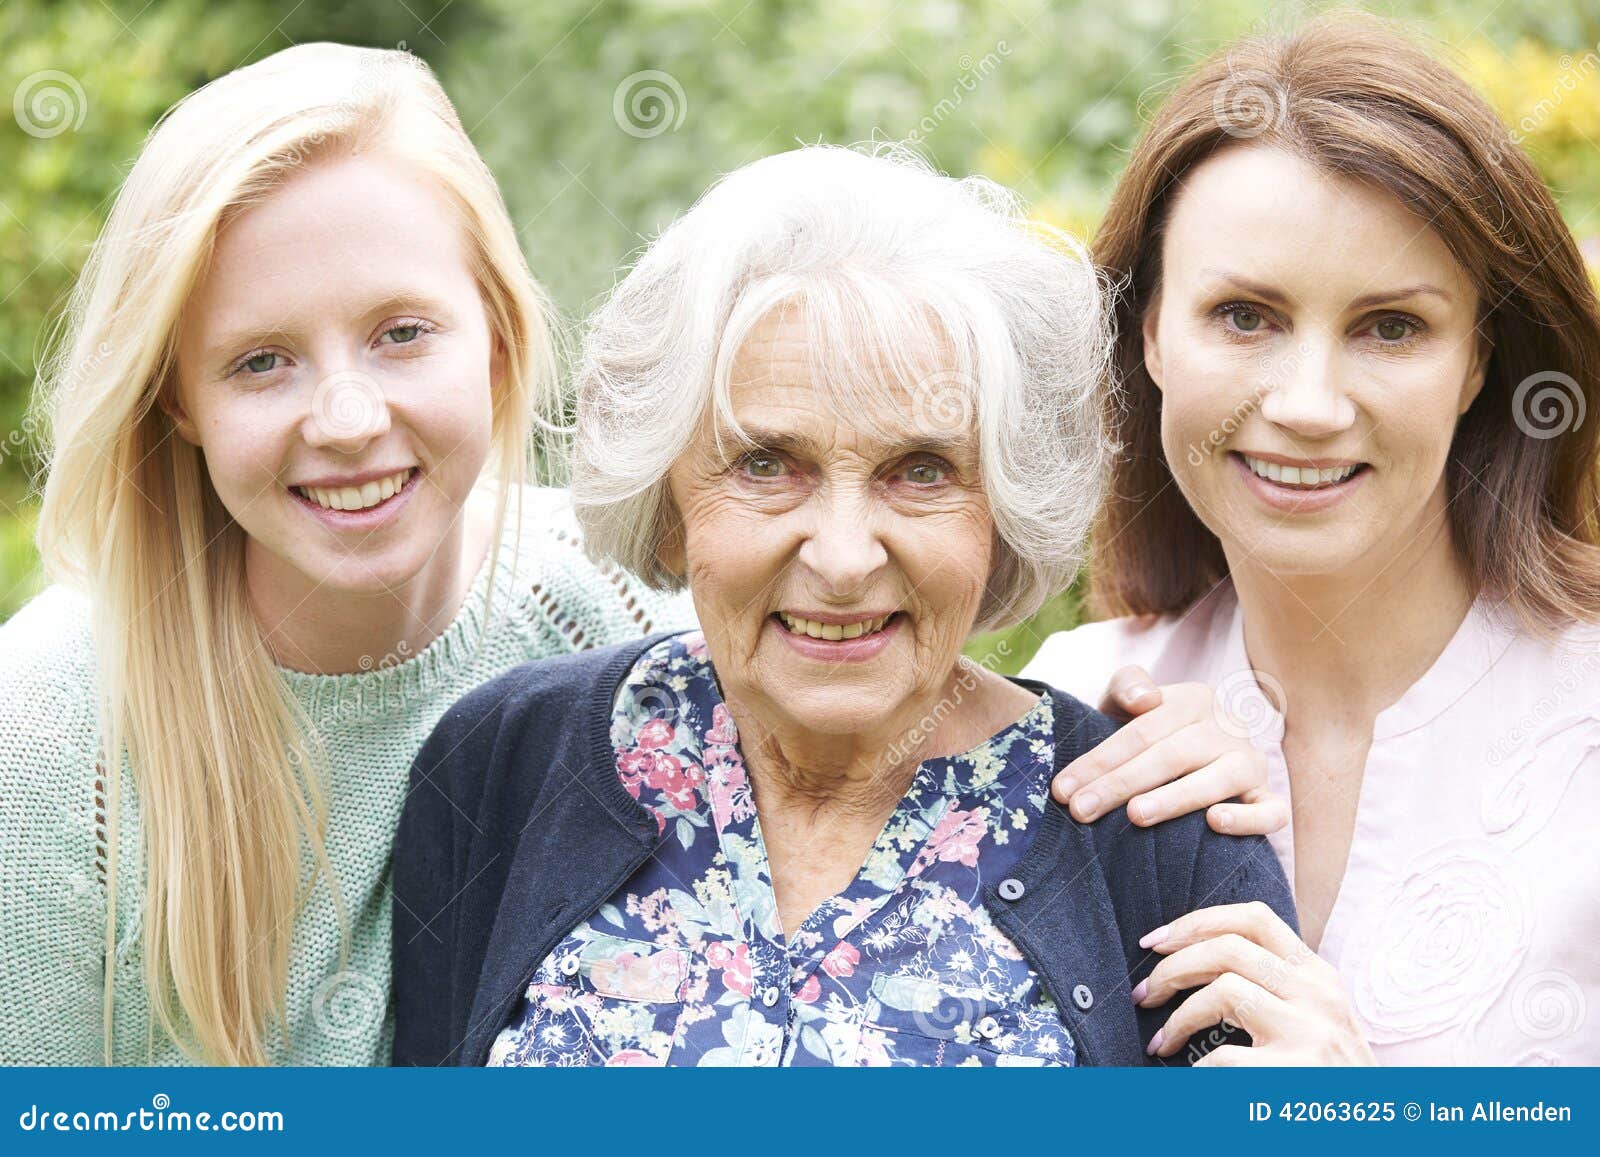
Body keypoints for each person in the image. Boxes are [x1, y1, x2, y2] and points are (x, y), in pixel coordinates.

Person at [391, 145, 1296, 1068]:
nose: (842, 556)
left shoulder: (1161, 840)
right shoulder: (501, 765)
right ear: (668, 504)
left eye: (921, 471)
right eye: (766, 463)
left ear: (1005, 514)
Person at [0, 43, 694, 1066]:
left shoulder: (632, 623)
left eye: (401, 332)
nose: (346, 417)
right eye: (260, 361)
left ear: (496, 341)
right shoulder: (51, 739)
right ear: (177, 400)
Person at [1026, 16, 1600, 1064]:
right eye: (1245, 315)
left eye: (1390, 326)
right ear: (1148, 329)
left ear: (1478, 360)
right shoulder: (1072, 712)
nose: (1307, 403)